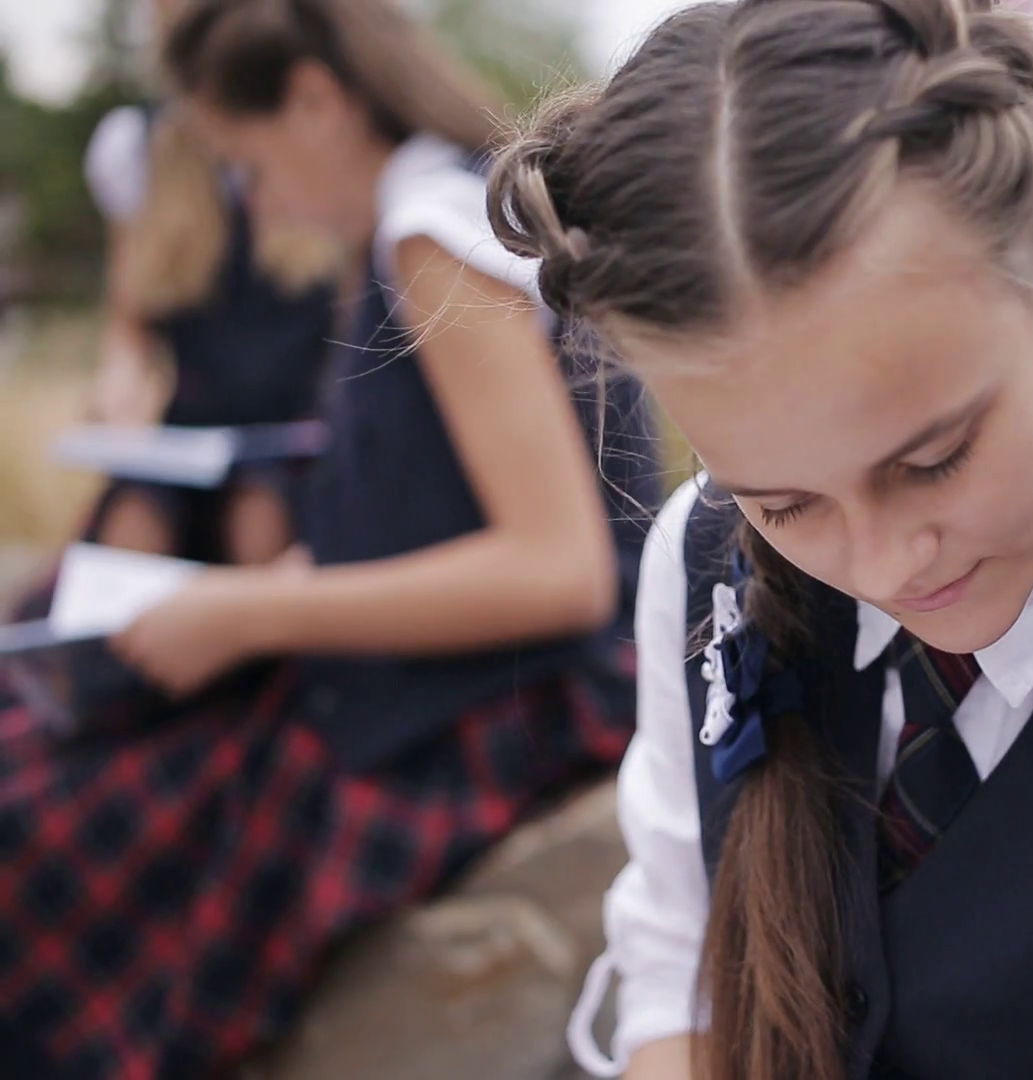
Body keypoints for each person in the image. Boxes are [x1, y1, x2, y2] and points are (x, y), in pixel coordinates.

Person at [486, 3, 1033, 1079]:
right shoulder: (701, 553)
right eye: (787, 505)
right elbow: (680, 950)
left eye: (936, 459)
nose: (888, 564)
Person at [0, 0, 657, 1075]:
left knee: (43, 818)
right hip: (431, 675)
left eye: (246, 163)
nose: (253, 203)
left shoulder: (434, 230)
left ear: (314, 98)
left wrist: (253, 609)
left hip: (501, 702)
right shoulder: (420, 212)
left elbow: (563, 572)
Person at [81, 0, 339, 566]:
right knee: (134, 524)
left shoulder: (321, 135)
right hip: (186, 434)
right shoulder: (141, 148)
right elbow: (129, 323)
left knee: (259, 516)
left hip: (293, 432)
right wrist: (121, 389)